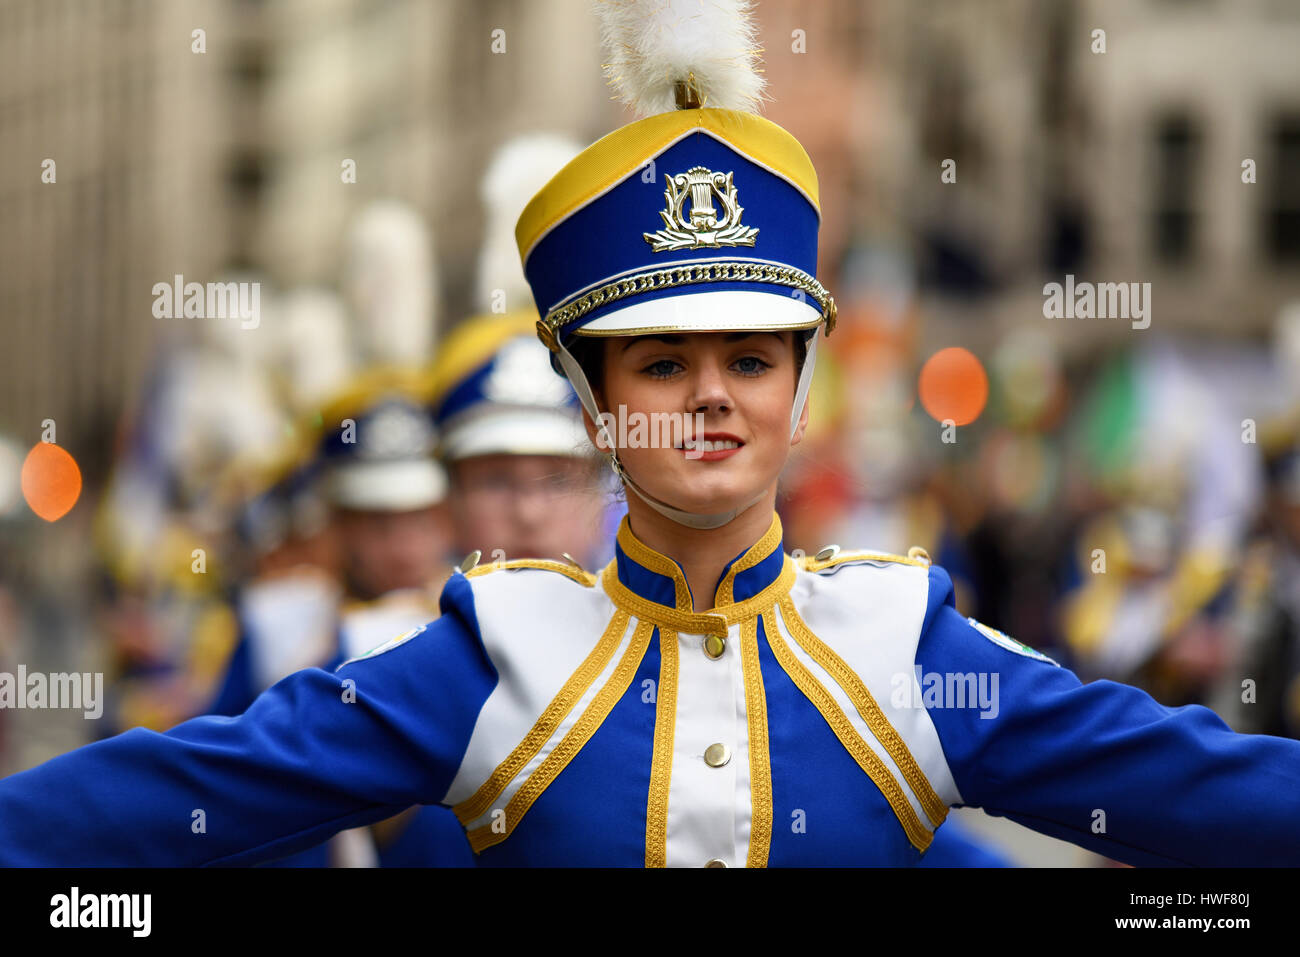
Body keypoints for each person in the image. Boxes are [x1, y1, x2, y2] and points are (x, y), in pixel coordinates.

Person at [1, 0, 1299, 867]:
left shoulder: (907, 649)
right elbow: (166, 800)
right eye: (663, 361)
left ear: (801, 385)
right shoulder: (490, 657)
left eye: (751, 357)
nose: (714, 396)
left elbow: (1201, 792)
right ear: (591, 404)